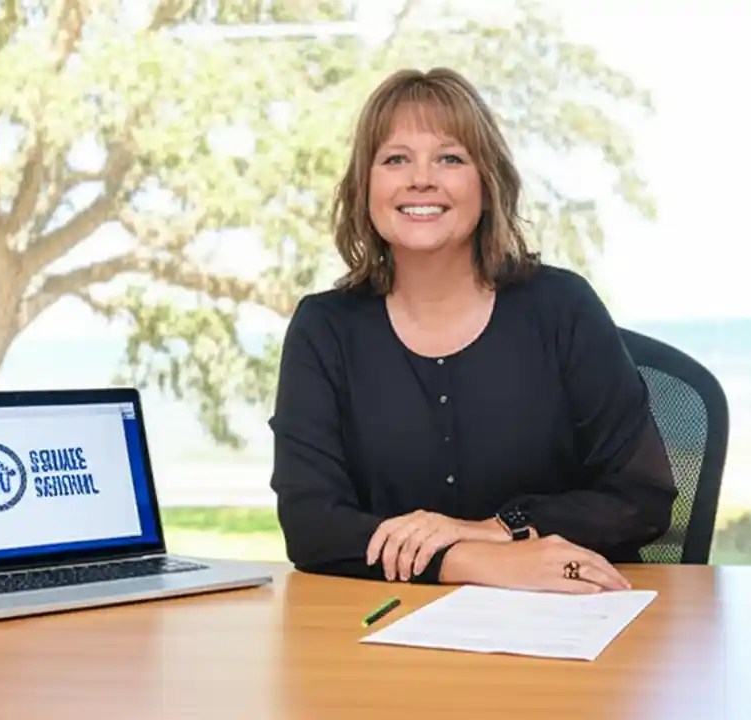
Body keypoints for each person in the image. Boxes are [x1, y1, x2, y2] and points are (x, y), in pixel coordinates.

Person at [268, 67, 677, 594]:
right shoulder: (324, 329)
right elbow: (312, 526)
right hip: (391, 634)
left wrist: (496, 531)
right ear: (365, 187)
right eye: (395, 159)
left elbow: (639, 496)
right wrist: (471, 561)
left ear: (487, 183)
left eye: (450, 158)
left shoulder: (562, 307)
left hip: (569, 616)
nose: (421, 178)